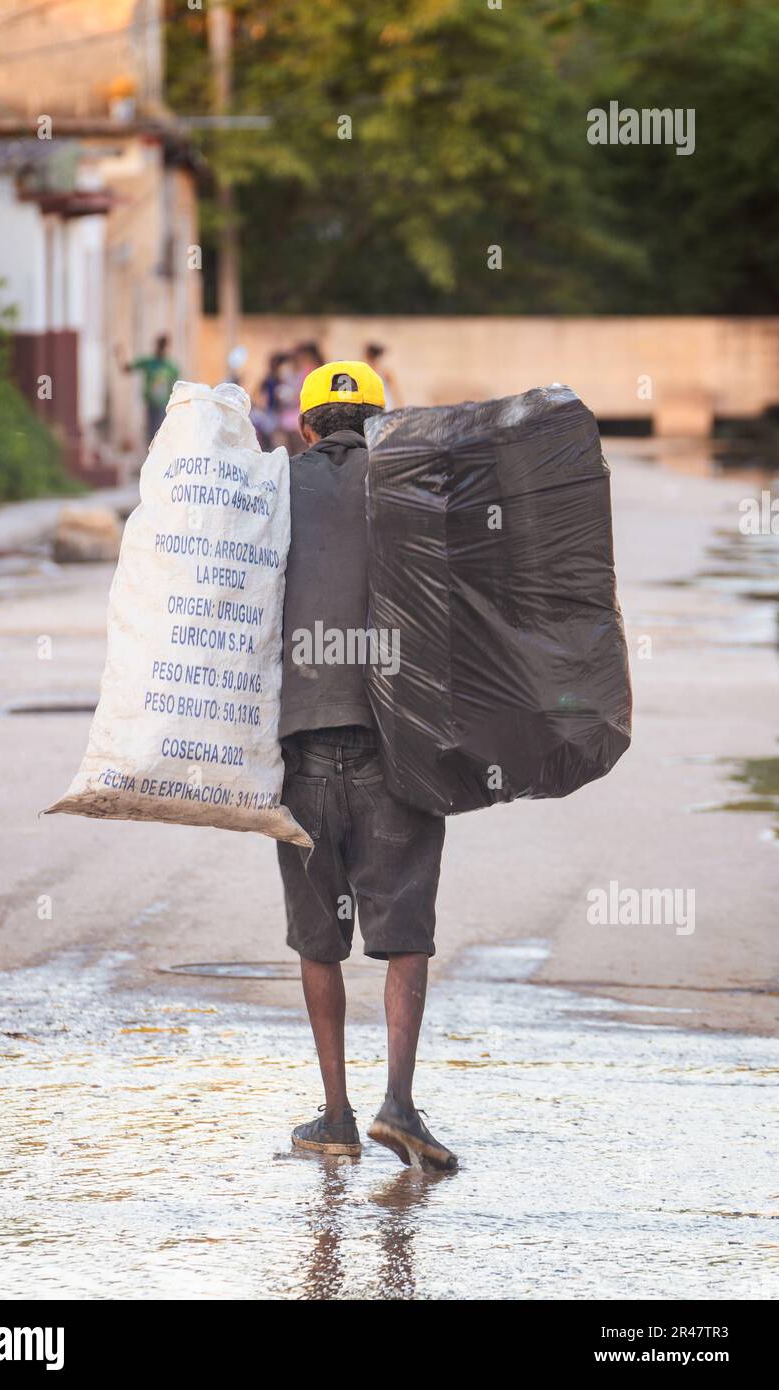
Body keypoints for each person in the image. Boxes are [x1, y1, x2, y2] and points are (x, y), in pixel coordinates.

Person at [277, 359, 456, 1172]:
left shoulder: (273, 489)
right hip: (398, 747)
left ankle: (338, 1116)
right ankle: (400, 1105)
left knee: (321, 940)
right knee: (404, 930)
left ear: (306, 426)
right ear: (381, 423)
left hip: (300, 748)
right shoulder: (413, 489)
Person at [118, 335, 180, 442]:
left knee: (161, 434)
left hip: (164, 406)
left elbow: (176, 387)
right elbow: (127, 369)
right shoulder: (149, 362)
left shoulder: (170, 366)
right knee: (152, 435)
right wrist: (121, 355)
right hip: (151, 404)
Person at [365, 342, 401, 410]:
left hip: (376, 403)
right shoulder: (384, 371)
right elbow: (395, 391)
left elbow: (394, 390)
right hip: (384, 403)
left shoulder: (366, 370)